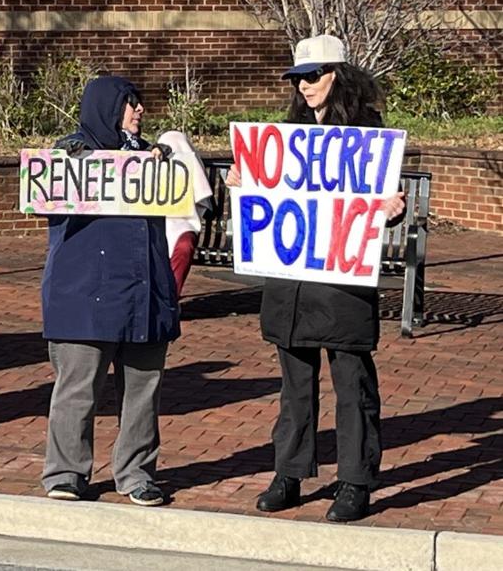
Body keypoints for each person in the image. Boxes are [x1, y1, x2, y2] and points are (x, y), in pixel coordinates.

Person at [226, 34, 406, 523]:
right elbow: (265, 199)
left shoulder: (368, 133)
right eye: (298, 78)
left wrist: (390, 210)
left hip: (342, 283)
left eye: (313, 75)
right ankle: (289, 472)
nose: (304, 86)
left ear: (337, 76)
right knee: (295, 385)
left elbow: (378, 204)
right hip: (292, 284)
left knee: (352, 385)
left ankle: (355, 480)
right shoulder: (287, 136)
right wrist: (243, 184)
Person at [39, 75, 178, 506]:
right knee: (77, 389)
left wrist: (167, 163)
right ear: (106, 107)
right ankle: (65, 474)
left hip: (144, 293)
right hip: (83, 296)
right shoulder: (70, 154)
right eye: (129, 103)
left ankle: (136, 473)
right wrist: (83, 158)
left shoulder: (155, 160)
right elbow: (46, 181)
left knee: (142, 393)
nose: (139, 111)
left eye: (139, 103)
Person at [156, 130, 214, 298]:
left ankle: (169, 300)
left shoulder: (185, 239)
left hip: (183, 222)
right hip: (157, 223)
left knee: (183, 245)